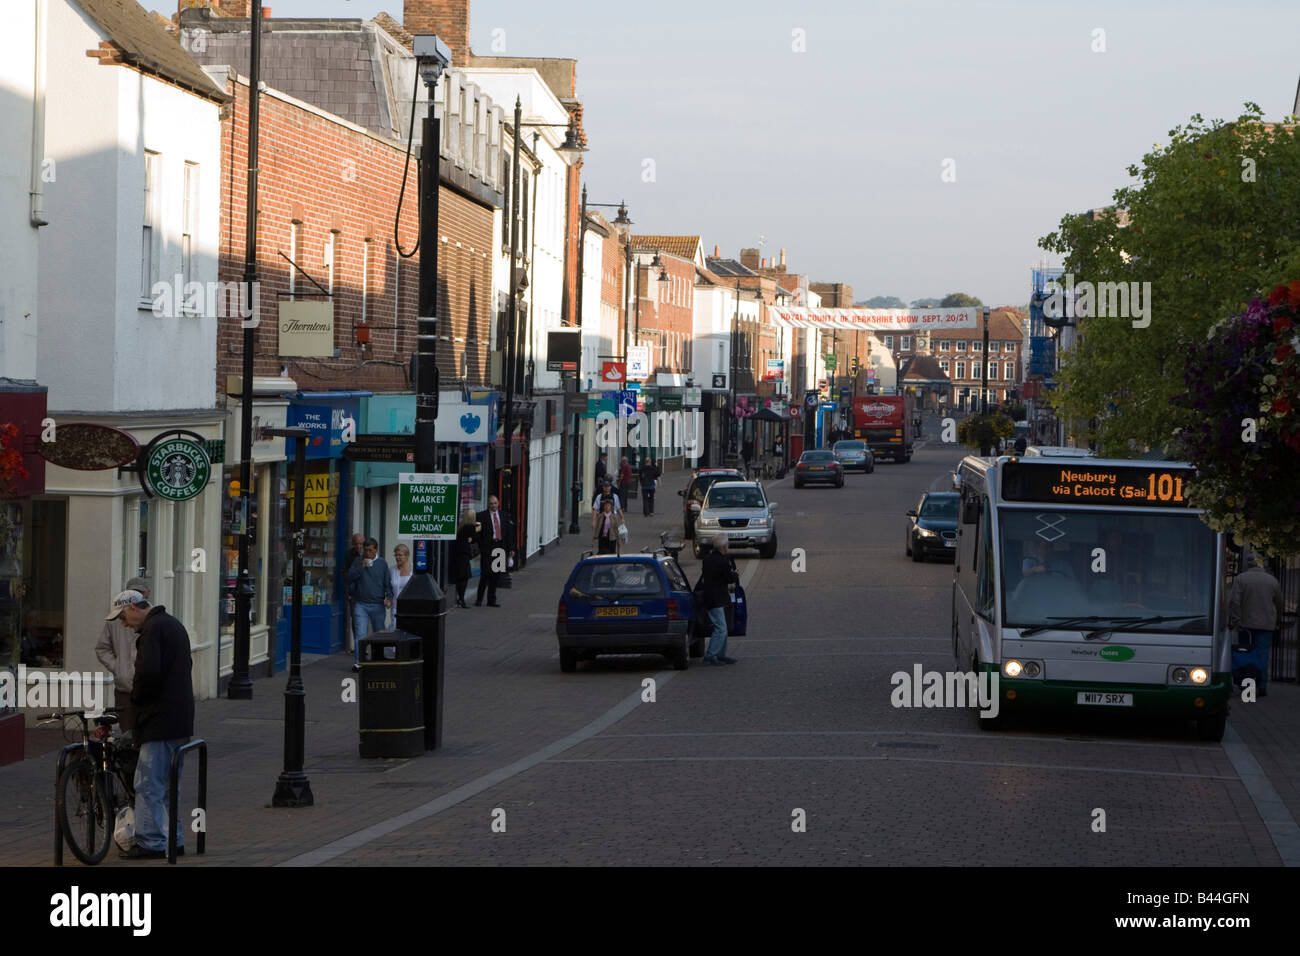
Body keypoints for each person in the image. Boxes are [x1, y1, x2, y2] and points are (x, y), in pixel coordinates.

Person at [106, 590, 193, 859]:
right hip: (179, 718)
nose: (124, 624)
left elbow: (147, 675)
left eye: (123, 617)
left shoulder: (153, 631)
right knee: (168, 784)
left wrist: (136, 700)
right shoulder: (173, 625)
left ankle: (151, 841)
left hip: (159, 720)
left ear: (133, 608)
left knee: (148, 783)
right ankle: (172, 839)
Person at [94, 576, 150, 733]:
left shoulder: (154, 620)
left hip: (146, 691)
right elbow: (102, 648)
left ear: (147, 593)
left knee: (146, 735)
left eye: (139, 593)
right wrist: (118, 667)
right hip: (125, 690)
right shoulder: (114, 620)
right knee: (127, 734)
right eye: (132, 592)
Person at [1228, 555, 1284, 696]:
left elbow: (1234, 601)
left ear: (1248, 564)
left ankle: (1248, 688)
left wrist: (1236, 620)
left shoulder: (1241, 579)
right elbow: (1279, 603)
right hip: (1266, 624)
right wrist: (1277, 620)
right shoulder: (1272, 581)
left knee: (1246, 655)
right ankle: (1262, 685)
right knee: (1262, 655)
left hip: (1245, 624)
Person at [345, 538, 393, 670]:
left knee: (378, 633)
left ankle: (378, 661)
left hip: (377, 604)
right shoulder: (358, 561)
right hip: (361, 604)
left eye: (370, 550)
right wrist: (361, 567)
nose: (367, 553)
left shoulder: (382, 563)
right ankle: (358, 663)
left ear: (376, 550)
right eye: (365, 550)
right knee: (360, 634)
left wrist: (389, 597)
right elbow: (349, 577)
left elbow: (387, 582)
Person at [697, 534, 739, 665]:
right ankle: (711, 655)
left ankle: (720, 654)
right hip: (717, 598)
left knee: (722, 626)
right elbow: (729, 579)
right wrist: (735, 574)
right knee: (721, 628)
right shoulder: (723, 561)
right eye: (727, 545)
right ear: (724, 547)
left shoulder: (707, 559)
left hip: (709, 596)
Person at [476, 495, 515, 607]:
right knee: (485, 574)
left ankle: (491, 600)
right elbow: (477, 533)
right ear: (488, 504)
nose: (493, 505)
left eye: (495, 503)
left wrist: (511, 548)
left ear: (498, 503)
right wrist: (482, 545)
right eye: (491, 503)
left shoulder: (504, 516)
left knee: (495, 575)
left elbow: (508, 534)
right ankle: (479, 599)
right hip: (488, 547)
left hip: (500, 547)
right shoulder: (481, 516)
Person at [450, 510, 478, 609]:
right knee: (465, 577)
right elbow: (475, 537)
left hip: (457, 554)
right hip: (464, 555)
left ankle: (459, 598)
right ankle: (461, 599)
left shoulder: (460, 527)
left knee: (459, 577)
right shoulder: (471, 527)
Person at [342, 532, 365, 653]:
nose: (359, 546)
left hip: (367, 591)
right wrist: (351, 580)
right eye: (356, 544)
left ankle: (364, 645)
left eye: (361, 543)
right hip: (354, 592)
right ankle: (358, 647)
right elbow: (344, 573)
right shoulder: (349, 555)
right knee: (356, 620)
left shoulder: (369, 552)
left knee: (366, 620)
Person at [389, 543, 413, 625]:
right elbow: (387, 586)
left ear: (407, 556)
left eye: (400, 555)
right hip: (396, 607)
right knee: (395, 631)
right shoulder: (392, 569)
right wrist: (386, 598)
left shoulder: (414, 570)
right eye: (396, 555)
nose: (397, 558)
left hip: (411, 607)